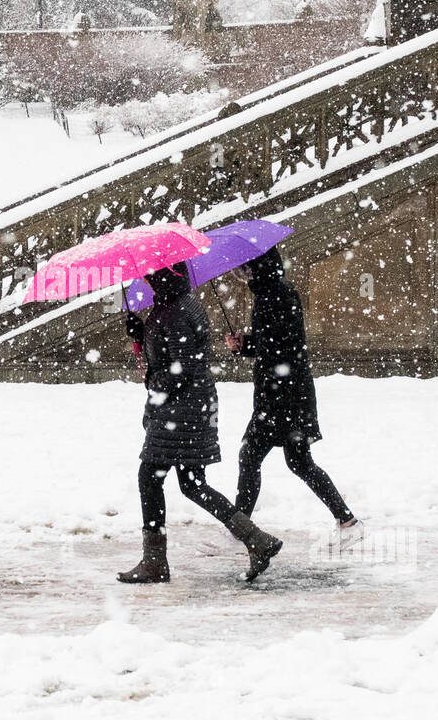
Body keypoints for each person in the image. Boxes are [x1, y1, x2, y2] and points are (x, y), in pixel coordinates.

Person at [118, 260, 284, 583]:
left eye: (151, 276)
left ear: (164, 276)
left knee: (149, 477)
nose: (147, 282)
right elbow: (175, 357)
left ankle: (155, 562)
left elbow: (181, 367)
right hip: (191, 406)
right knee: (193, 484)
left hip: (181, 411)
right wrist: (141, 332)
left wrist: (154, 377)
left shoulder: (174, 309)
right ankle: (256, 539)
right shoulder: (176, 303)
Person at [225, 248, 365, 547]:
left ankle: (241, 528)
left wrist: (250, 344)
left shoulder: (277, 294)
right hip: (285, 393)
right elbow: (275, 342)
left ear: (258, 265)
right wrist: (245, 344)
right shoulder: (270, 292)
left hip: (283, 396)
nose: (243, 275)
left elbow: (282, 345)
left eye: (246, 269)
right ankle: (347, 521)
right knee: (297, 462)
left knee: (252, 456)